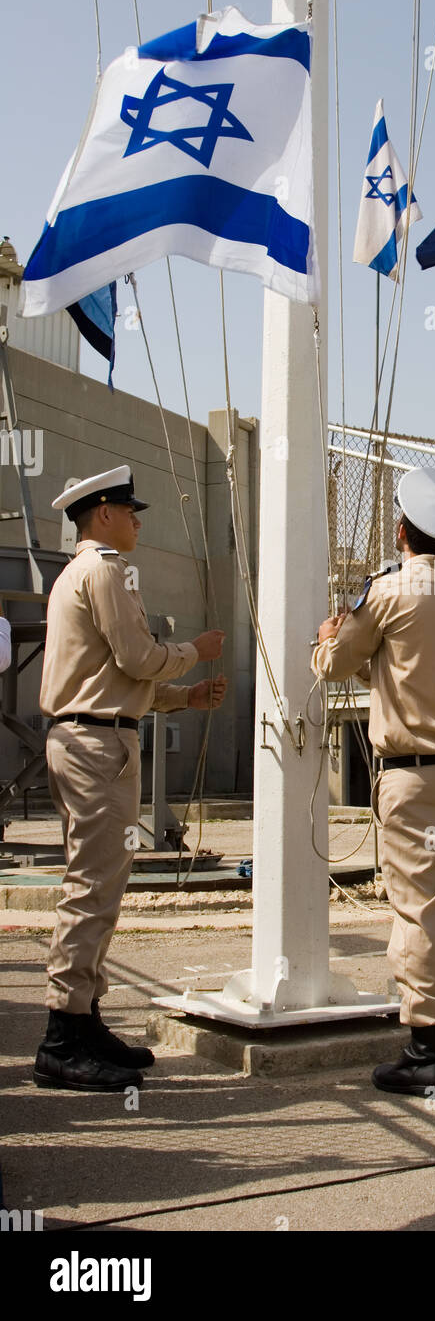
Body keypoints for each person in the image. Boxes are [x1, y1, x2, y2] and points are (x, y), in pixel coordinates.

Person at [35, 466, 227, 1091]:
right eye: (128, 510)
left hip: (92, 735)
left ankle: (83, 1019)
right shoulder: (105, 570)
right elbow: (136, 659)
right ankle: (63, 1036)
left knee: (99, 881)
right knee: (93, 884)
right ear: (104, 515)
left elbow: (116, 680)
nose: (138, 521)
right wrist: (196, 650)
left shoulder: (82, 571)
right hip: (96, 744)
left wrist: (182, 698)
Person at [312, 467, 435, 1098]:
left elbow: (338, 663)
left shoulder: (389, 592)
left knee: (420, 911)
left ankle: (426, 1048)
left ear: (403, 530)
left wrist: (325, 642)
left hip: (413, 780)